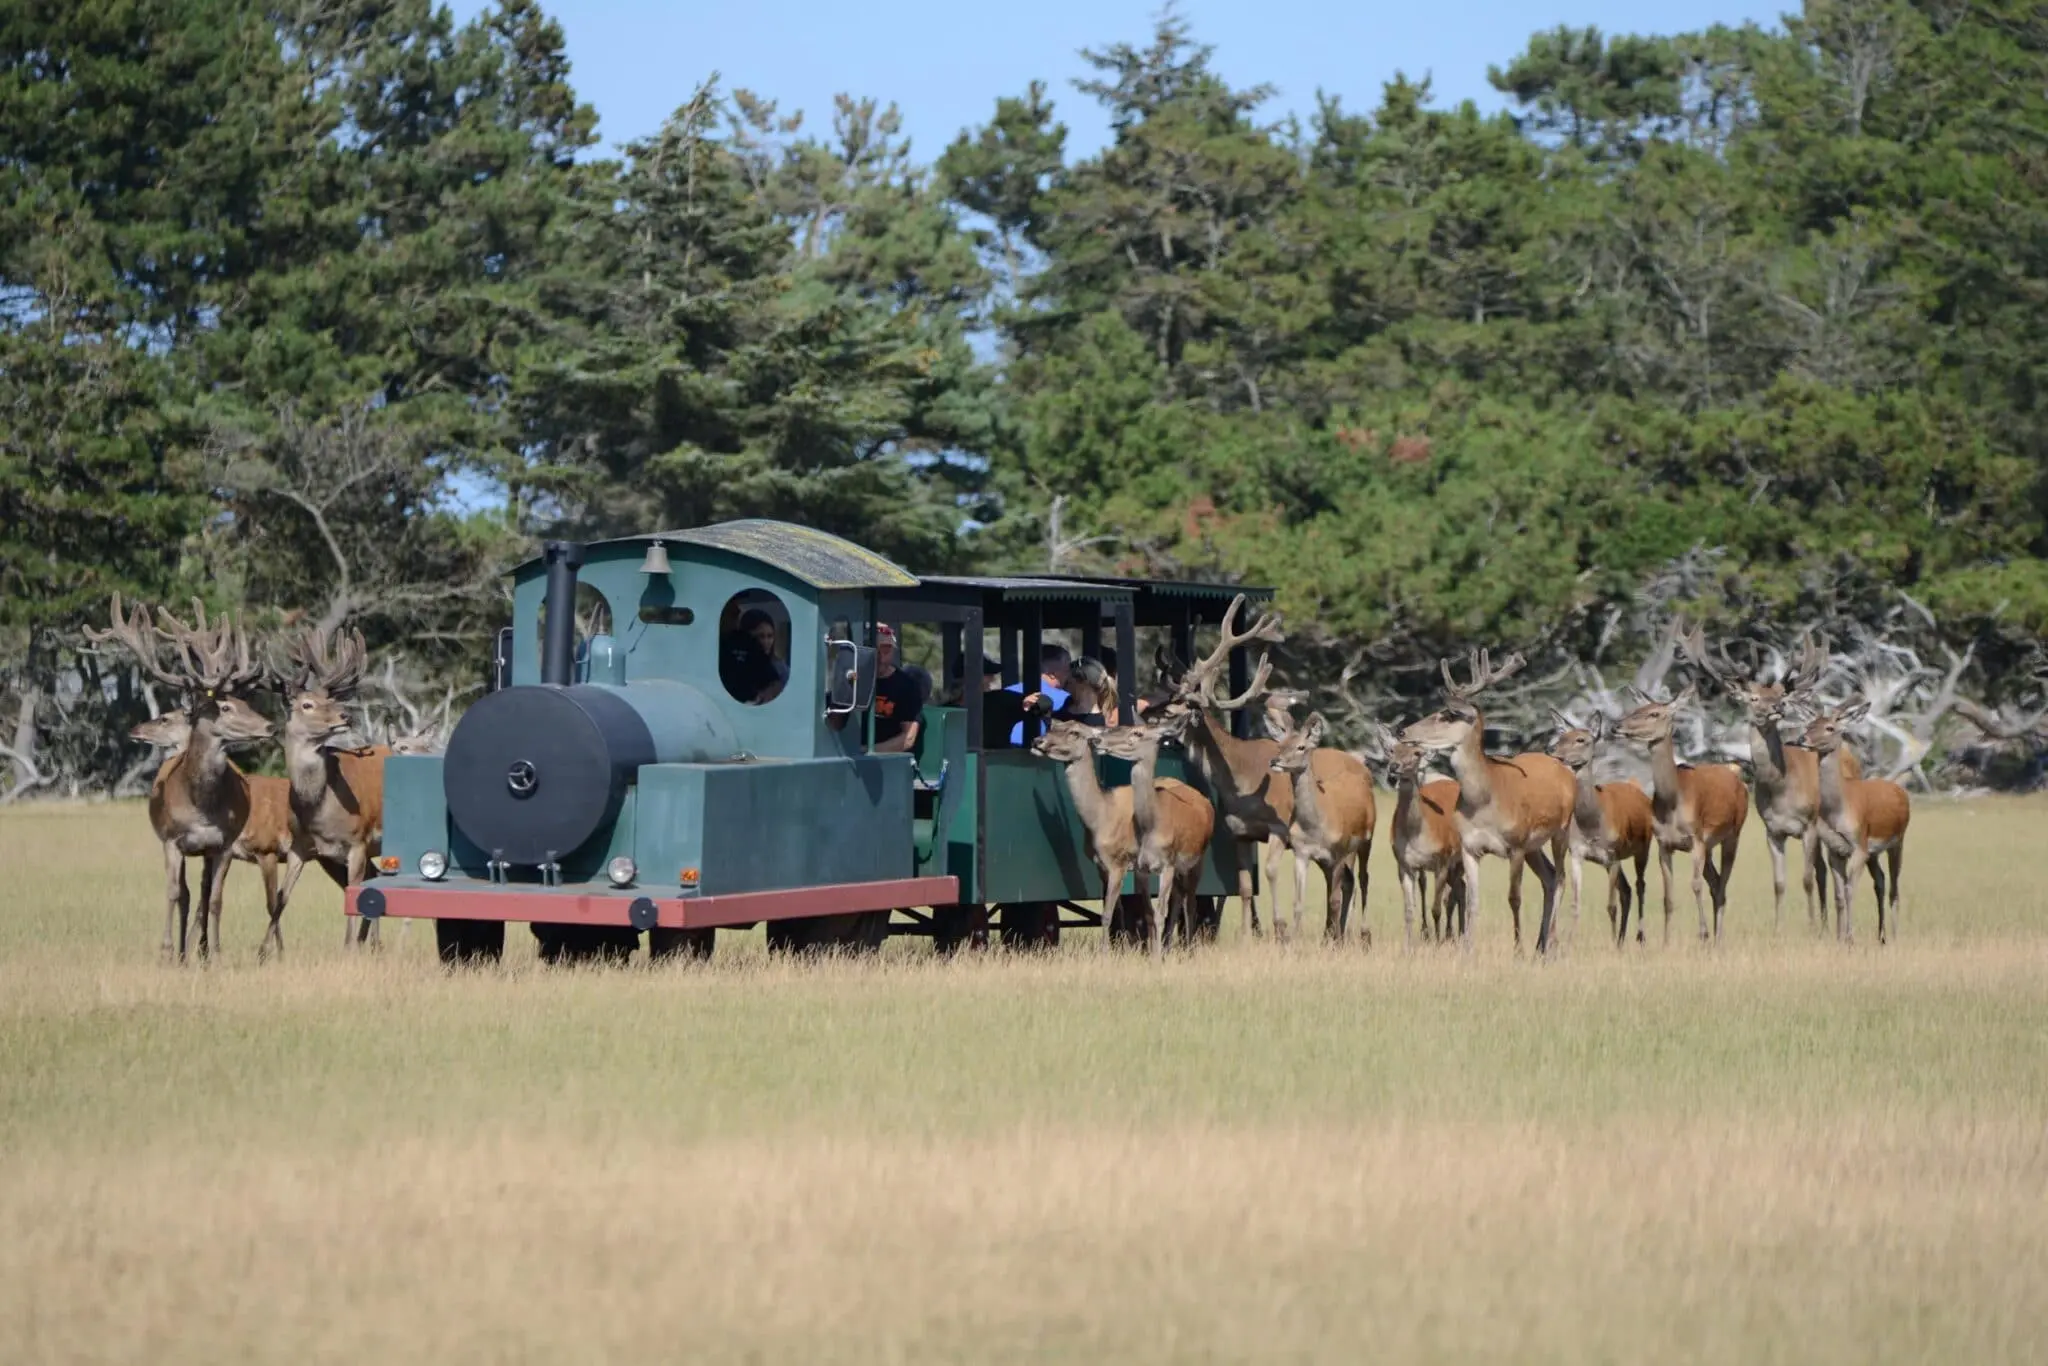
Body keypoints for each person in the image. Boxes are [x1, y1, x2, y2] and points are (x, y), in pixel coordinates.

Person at [868, 623, 923, 755]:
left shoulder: (906, 686)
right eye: (875, 650)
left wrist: (869, 751)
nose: (880, 658)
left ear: (893, 651)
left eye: (886, 650)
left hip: (889, 762)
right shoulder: (854, 680)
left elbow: (908, 738)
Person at [1008, 643, 1072, 745]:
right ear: (1053, 674)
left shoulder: (1008, 691)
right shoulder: (1066, 699)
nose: (1070, 675)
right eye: (1067, 670)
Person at [738, 607, 787, 703]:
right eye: (760, 636)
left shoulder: (780, 668)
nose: (766, 642)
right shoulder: (738, 665)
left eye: (770, 636)